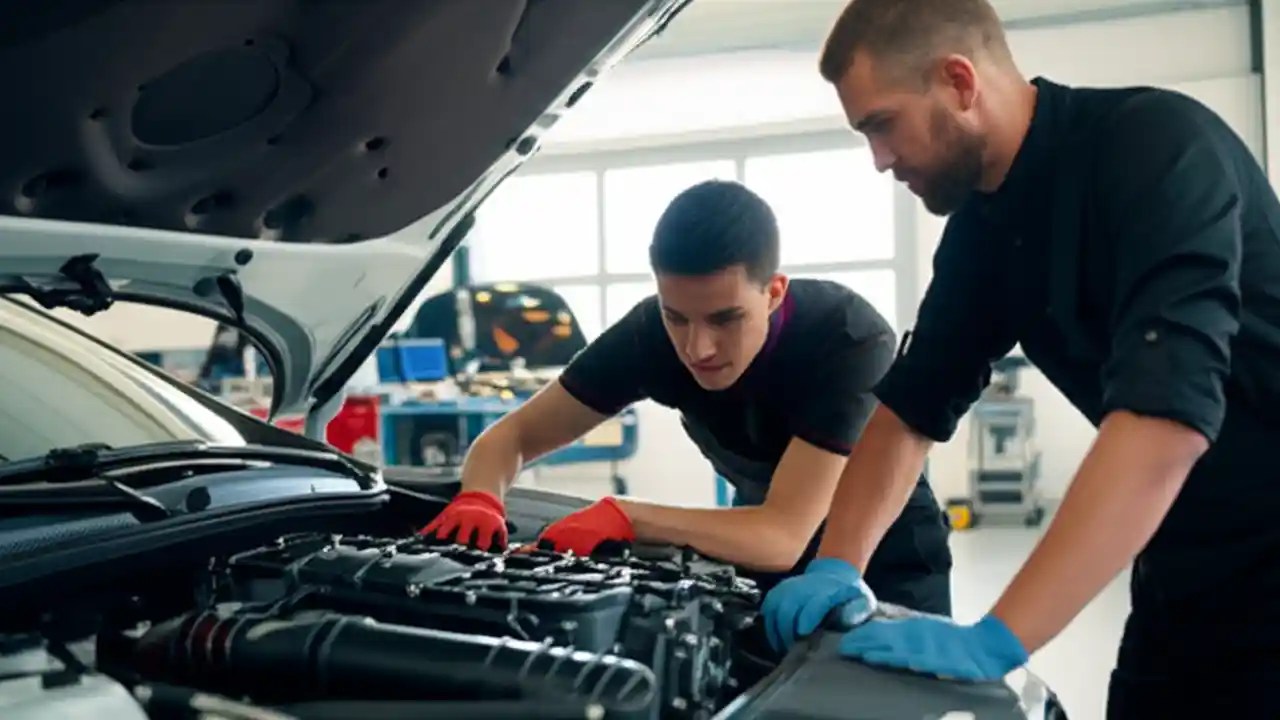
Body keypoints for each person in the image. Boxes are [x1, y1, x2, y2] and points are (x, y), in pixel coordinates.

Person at [759, 0, 1280, 716]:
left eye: (881, 124)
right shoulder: (981, 231)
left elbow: (1167, 421)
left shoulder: (1155, 148)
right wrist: (839, 563)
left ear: (959, 82)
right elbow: (911, 409)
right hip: (1180, 561)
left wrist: (1001, 635)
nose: (879, 160)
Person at [420, 179, 954, 628]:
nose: (698, 348)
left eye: (725, 319)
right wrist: (481, 496)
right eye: (678, 317)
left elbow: (783, 533)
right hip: (758, 548)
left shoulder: (847, 342)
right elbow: (509, 439)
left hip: (886, 565)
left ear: (773, 292)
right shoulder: (649, 335)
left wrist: (625, 515)